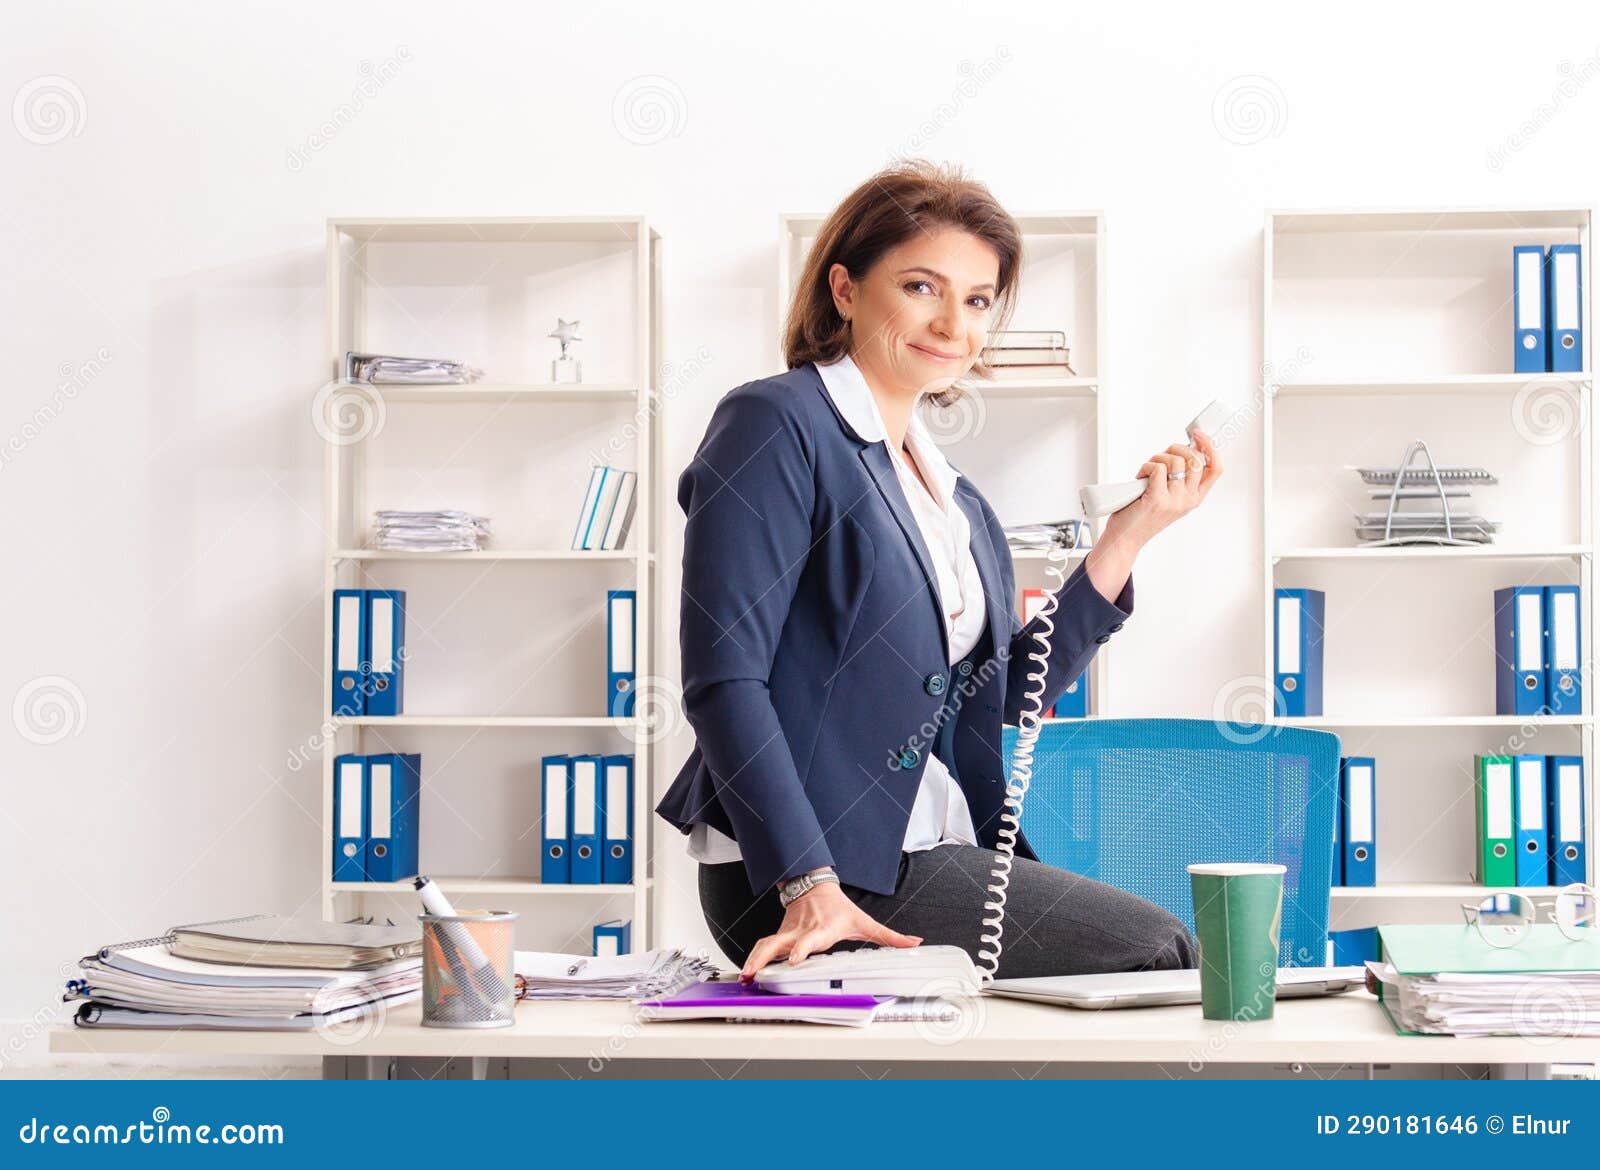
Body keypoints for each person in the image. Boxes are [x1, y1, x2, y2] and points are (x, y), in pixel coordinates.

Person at [655, 160, 1223, 982]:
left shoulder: (956, 501)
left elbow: (999, 692)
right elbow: (723, 678)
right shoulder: (776, 423)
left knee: (1148, 962)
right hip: (806, 871)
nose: (953, 323)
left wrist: (1126, 541)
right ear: (845, 290)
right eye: (922, 287)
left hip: (929, 841)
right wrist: (806, 882)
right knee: (1154, 951)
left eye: (979, 300)